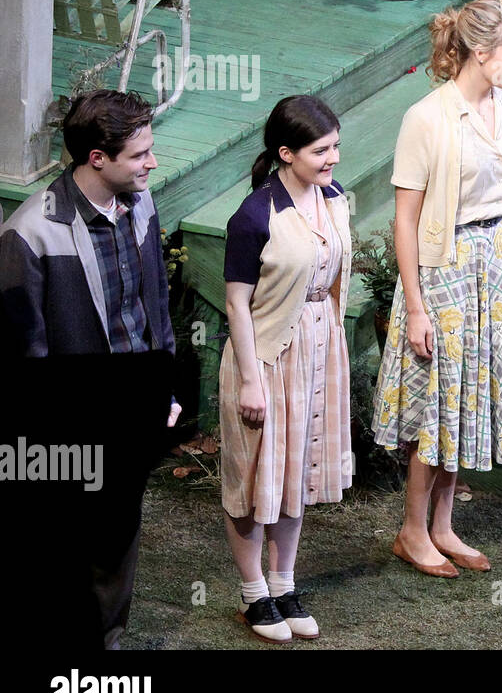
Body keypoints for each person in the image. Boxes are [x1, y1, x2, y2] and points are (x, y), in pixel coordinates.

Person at [0, 89, 180, 648]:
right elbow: (20, 347)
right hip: (66, 421)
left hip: (130, 405)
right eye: (140, 153)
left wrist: (165, 388)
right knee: (60, 540)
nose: (152, 162)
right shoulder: (30, 232)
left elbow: (155, 303)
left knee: (118, 530)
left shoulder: (141, 204)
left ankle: (107, 643)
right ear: (97, 158)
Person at [374, 0, 502, 566]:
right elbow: (405, 219)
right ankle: (411, 531)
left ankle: (443, 527)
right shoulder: (427, 117)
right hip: (445, 270)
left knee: (466, 400)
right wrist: (416, 308)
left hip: (495, 265)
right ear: (479, 50)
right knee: (438, 405)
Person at [220, 95, 353, 643]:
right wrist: (251, 379)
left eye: (336, 146)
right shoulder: (256, 216)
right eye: (321, 150)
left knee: (297, 471)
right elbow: (236, 304)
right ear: (285, 153)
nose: (333, 159)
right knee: (255, 478)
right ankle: (254, 594)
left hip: (321, 350)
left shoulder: (335, 197)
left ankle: (284, 584)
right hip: (270, 358)